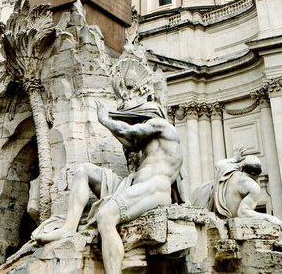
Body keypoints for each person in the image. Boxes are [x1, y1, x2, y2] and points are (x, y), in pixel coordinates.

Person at [32, 99, 183, 274]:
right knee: (83, 170)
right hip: (132, 186)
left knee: (106, 215)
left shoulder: (161, 124)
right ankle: (68, 227)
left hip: (155, 188)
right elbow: (129, 137)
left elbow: (128, 131)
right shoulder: (151, 143)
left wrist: (104, 119)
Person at [191, 145, 282, 229]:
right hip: (229, 224)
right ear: (259, 173)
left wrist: (234, 159)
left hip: (217, 218)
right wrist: (267, 216)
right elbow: (243, 212)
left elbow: (218, 164)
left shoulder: (230, 171)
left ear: (242, 167)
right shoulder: (253, 187)